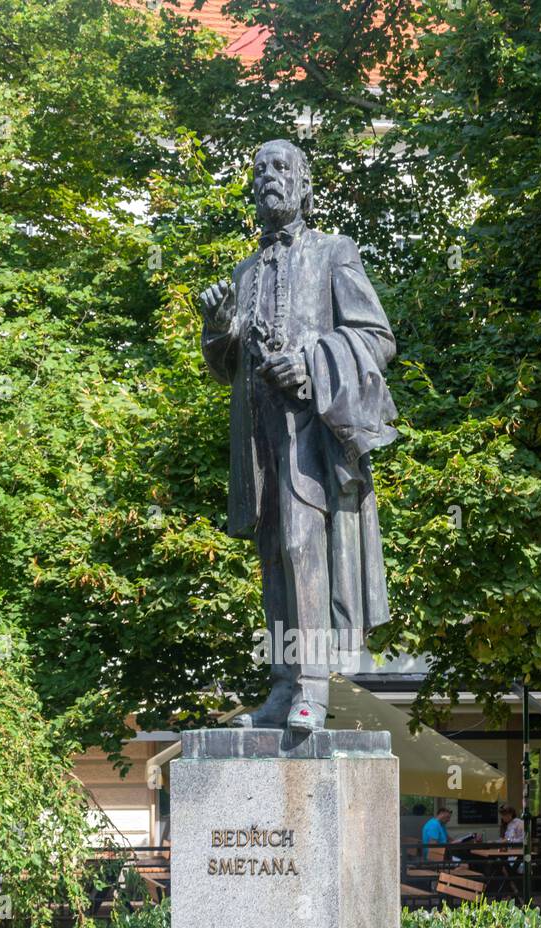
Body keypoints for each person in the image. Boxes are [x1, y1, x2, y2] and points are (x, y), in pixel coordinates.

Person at [200, 140, 398, 732]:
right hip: (259, 439)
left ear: (304, 183)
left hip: (312, 435)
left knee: (301, 547)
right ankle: (283, 689)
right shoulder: (244, 271)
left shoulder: (335, 253)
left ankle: (312, 685)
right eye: (259, 170)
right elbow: (228, 366)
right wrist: (219, 328)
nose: (269, 179)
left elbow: (378, 340)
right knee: (275, 560)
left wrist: (312, 363)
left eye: (281, 168)